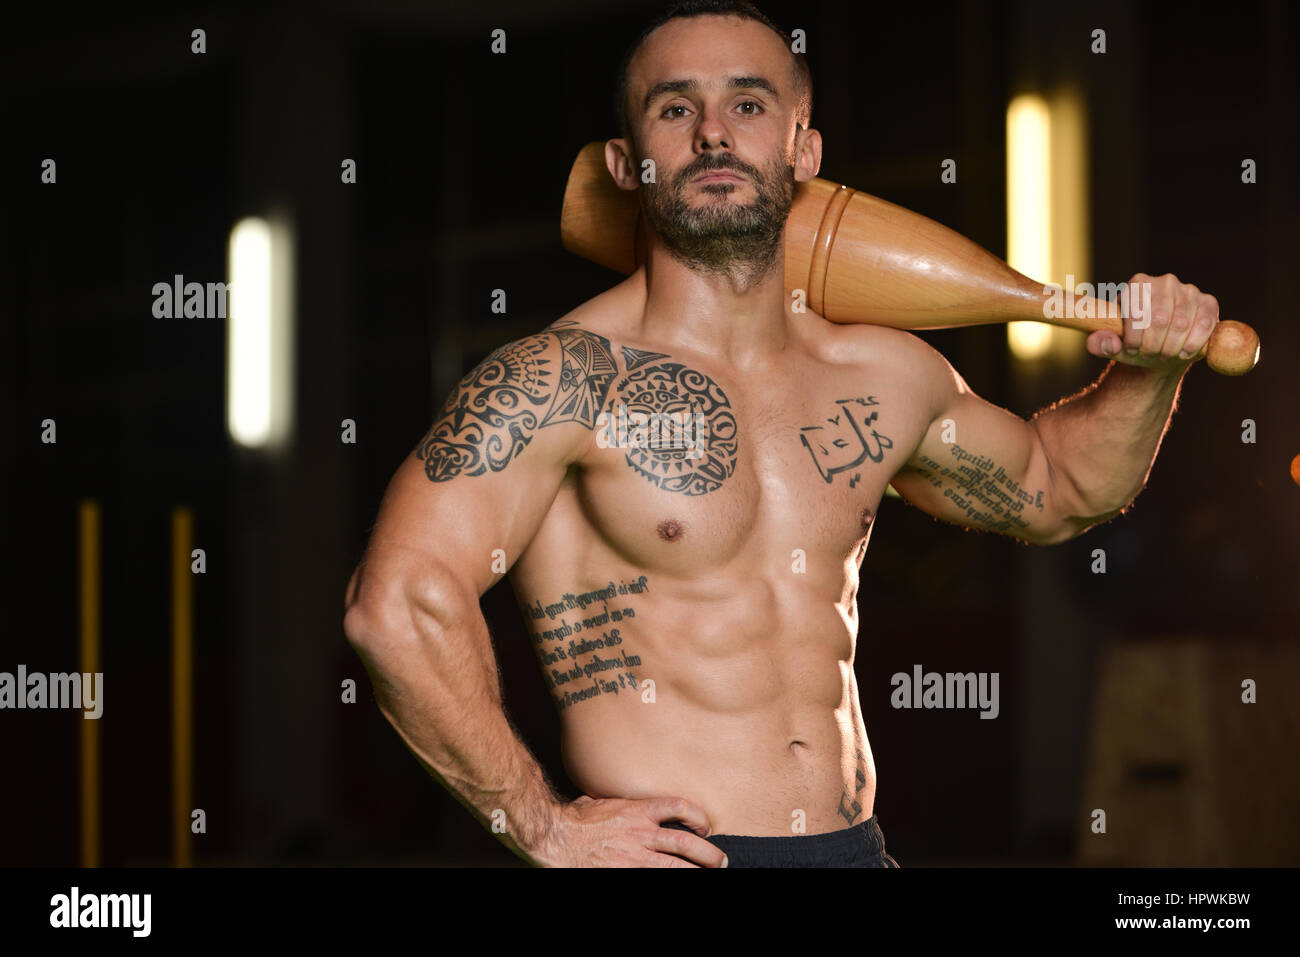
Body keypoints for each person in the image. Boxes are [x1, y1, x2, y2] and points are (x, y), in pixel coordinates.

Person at [343, 0, 1220, 867]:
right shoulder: (560, 383)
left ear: (803, 150)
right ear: (625, 162)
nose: (714, 134)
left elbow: (1063, 491)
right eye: (676, 108)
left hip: (854, 851)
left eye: (749, 104)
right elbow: (395, 605)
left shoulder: (883, 376)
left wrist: (1155, 366)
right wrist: (541, 825)